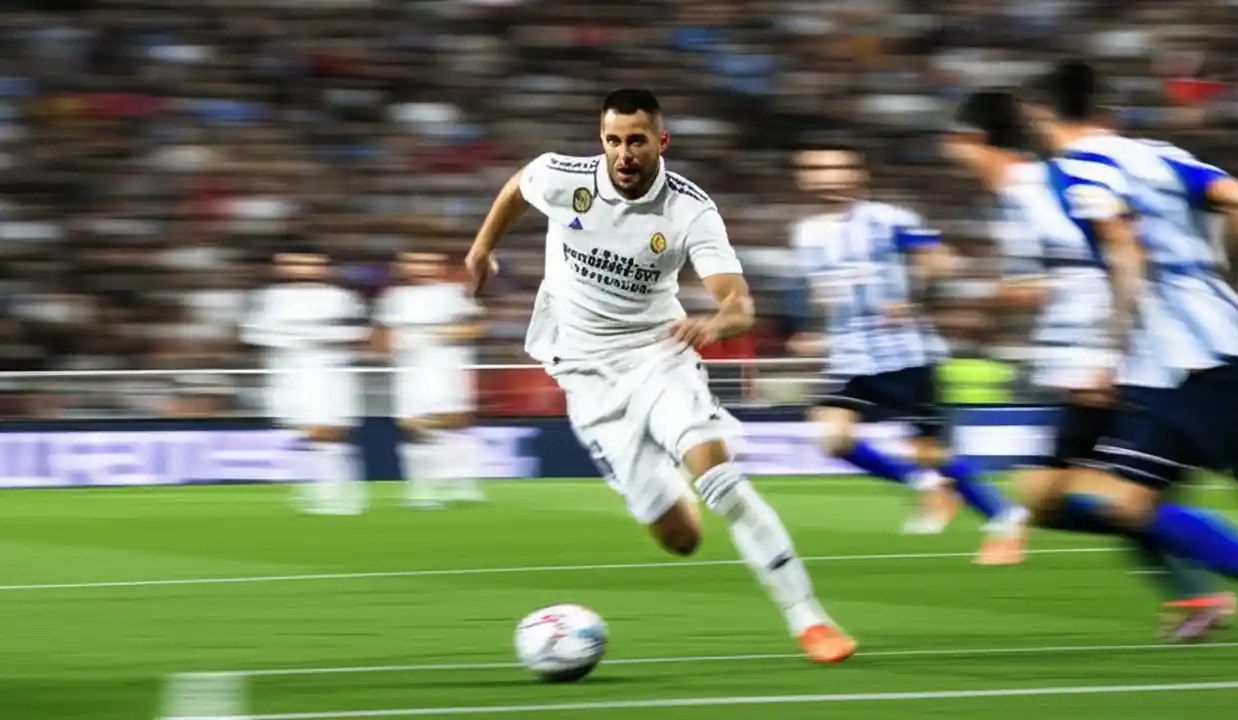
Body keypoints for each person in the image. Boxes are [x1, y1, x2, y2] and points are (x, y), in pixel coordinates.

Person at [463, 88, 855, 663]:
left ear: (661, 142)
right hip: (585, 375)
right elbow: (518, 187)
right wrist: (482, 250)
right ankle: (666, 465)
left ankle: (808, 618)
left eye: (636, 141)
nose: (623, 153)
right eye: (613, 141)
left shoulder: (690, 210)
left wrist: (715, 324)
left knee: (719, 477)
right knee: (681, 539)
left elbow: (739, 304)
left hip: (659, 355)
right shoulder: (564, 177)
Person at [943, 90, 1235, 641]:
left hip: (1101, 366)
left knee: (1068, 497)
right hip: (1087, 364)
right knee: (1090, 497)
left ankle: (1235, 567)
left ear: (972, 140)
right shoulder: (1019, 194)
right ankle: (1198, 590)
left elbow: (1111, 257)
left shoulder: (1036, 188)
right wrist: (1018, 291)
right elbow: (1069, 270)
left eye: (952, 140)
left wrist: (1106, 355)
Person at [1023, 60, 1238, 651]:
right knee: (1129, 501)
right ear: (1102, 107)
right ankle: (1215, 592)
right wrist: (1223, 280)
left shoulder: (1074, 169)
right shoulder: (1158, 154)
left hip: (1187, 353)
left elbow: (1124, 248)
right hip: (1191, 348)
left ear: (1040, 115)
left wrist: (1110, 350)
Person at [787, 147, 1027, 565]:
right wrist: (813, 330)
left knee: (931, 453)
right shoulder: (806, 233)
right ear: (804, 179)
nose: (826, 176)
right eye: (816, 169)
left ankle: (1004, 515)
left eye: (837, 168)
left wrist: (915, 300)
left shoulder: (889, 219)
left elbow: (943, 262)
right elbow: (819, 290)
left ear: (857, 175)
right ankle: (924, 484)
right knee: (833, 439)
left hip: (903, 354)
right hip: (850, 357)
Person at [241, 250, 369, 515]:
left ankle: (345, 496)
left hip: (328, 374)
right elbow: (252, 333)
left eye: (310, 264)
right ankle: (316, 492)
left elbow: (359, 330)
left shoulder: (341, 298)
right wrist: (292, 339)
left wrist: (314, 337)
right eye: (295, 263)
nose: (303, 269)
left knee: (328, 435)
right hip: (288, 376)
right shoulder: (269, 297)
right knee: (303, 436)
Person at [375, 251, 486, 508]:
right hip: (411, 373)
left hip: (447, 369)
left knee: (455, 425)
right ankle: (422, 490)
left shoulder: (453, 294)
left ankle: (463, 486)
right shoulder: (393, 298)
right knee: (415, 428)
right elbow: (379, 341)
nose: (419, 267)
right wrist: (395, 343)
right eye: (413, 262)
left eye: (425, 262)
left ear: (437, 265)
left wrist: (433, 335)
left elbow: (476, 328)